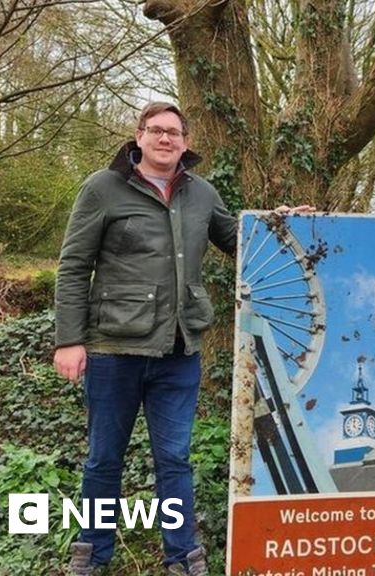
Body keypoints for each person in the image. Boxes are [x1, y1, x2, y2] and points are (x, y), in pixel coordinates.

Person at [53, 102, 234, 576]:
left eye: (174, 132)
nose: (165, 139)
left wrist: (282, 222)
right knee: (103, 459)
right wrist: (69, 340)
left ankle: (183, 555)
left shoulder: (202, 193)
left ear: (186, 142)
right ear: (138, 136)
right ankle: (92, 552)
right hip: (114, 349)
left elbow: (239, 239)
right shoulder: (103, 188)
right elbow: (74, 266)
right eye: (156, 130)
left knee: (174, 458)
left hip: (179, 352)